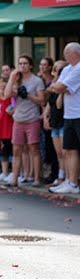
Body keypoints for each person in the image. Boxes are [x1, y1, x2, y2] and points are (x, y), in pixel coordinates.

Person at [2, 55, 44, 187]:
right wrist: (11, 77)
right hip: (18, 119)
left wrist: (28, 95)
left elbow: (41, 100)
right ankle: (14, 178)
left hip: (32, 118)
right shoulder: (17, 81)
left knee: (34, 148)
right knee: (17, 150)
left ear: (31, 65)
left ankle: (36, 178)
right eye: (20, 63)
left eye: (25, 63)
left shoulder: (37, 81)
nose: (23, 66)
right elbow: (7, 95)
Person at [49, 42, 80, 194]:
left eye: (67, 53)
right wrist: (59, 86)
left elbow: (59, 87)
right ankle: (71, 181)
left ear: (75, 53)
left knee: (73, 149)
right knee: (68, 149)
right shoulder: (67, 69)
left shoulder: (79, 68)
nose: (65, 56)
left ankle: (74, 181)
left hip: (79, 113)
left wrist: (60, 86)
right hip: (69, 114)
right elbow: (53, 86)